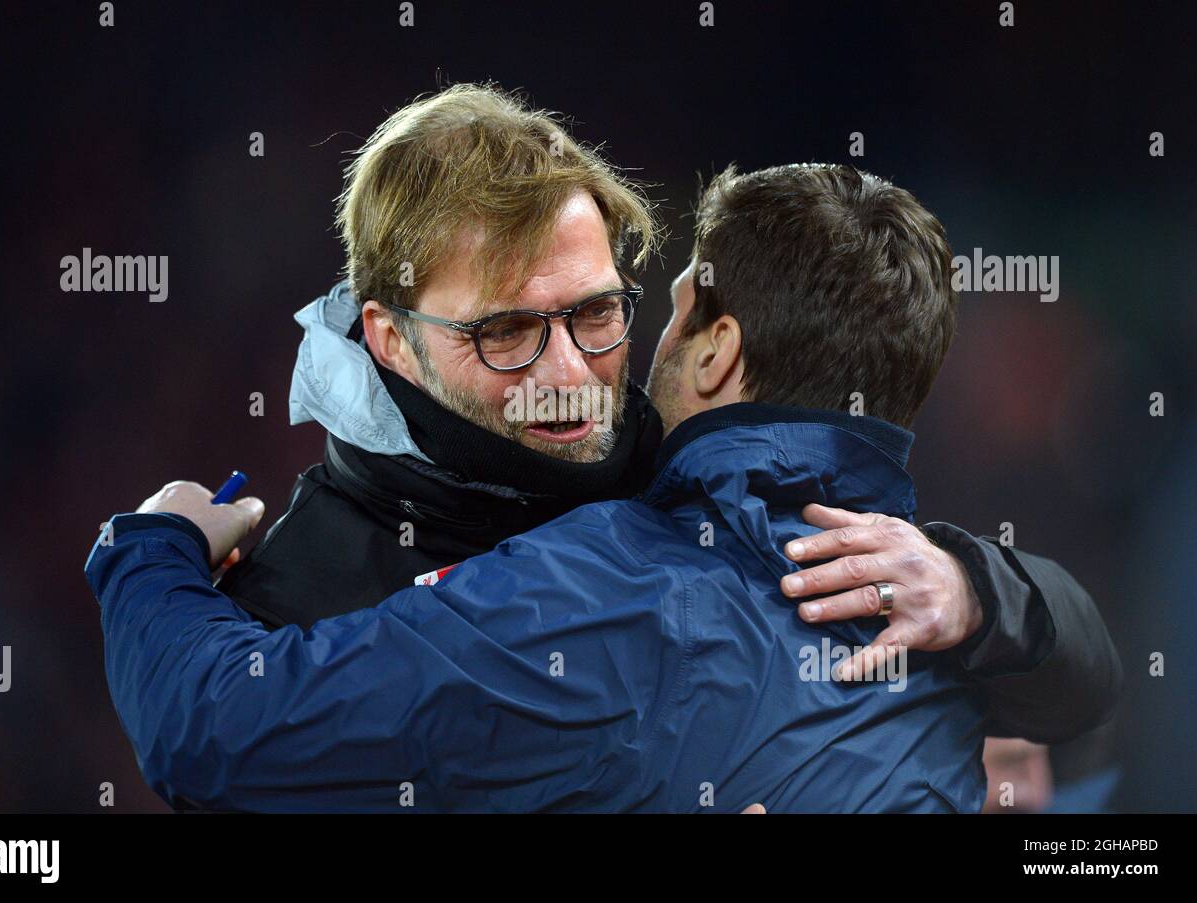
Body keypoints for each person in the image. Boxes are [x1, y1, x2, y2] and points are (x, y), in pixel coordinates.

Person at [86, 163, 1119, 812]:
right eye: (506, 330)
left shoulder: (595, 594)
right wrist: (985, 589)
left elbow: (208, 728)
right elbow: (1088, 686)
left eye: (616, 315)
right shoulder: (932, 613)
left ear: (716, 349)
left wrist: (150, 546)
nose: (574, 373)